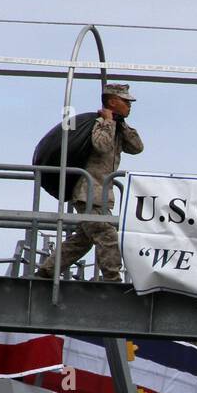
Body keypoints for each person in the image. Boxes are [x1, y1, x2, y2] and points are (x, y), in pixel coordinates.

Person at [36, 82, 144, 282]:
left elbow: (137, 147)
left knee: (82, 240)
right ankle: (112, 281)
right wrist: (108, 122)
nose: (130, 105)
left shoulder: (117, 126)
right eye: (125, 101)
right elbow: (101, 146)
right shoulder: (100, 124)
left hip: (101, 196)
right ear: (112, 101)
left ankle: (46, 272)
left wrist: (120, 124)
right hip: (88, 194)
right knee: (108, 236)